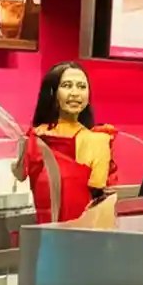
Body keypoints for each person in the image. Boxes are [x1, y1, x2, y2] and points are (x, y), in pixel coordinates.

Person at [12, 61, 118, 223]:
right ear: (52, 92)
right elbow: (20, 175)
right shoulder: (34, 137)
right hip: (46, 230)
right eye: (67, 86)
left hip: (84, 231)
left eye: (81, 87)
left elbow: (102, 195)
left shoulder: (97, 139)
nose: (75, 93)